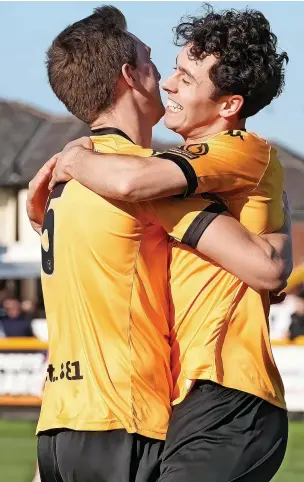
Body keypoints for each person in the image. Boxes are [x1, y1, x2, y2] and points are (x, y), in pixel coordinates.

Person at [27, 5, 292, 482]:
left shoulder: (111, 177)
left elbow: (269, 268)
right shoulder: (133, 178)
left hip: (193, 400)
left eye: (185, 77)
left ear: (228, 104)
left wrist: (71, 158)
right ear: (131, 78)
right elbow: (266, 265)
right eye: (162, 67)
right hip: (131, 415)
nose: (168, 82)